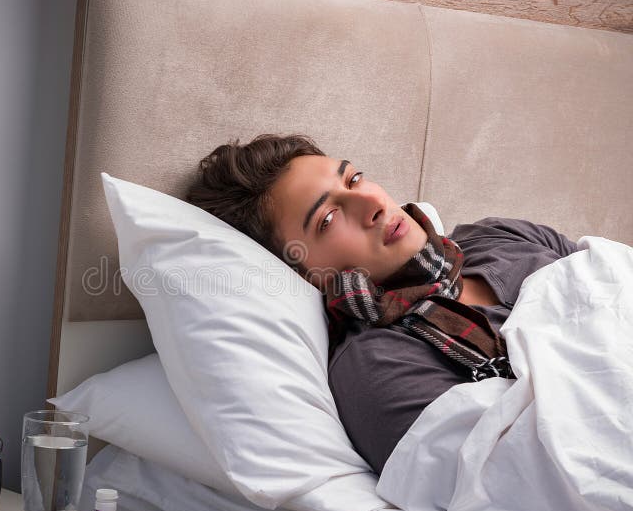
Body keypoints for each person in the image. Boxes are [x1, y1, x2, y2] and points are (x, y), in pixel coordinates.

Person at [186, 133, 578, 475]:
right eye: (328, 218)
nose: (371, 202)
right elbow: (515, 476)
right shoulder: (379, 361)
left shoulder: (499, 237)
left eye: (354, 179)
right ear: (303, 274)